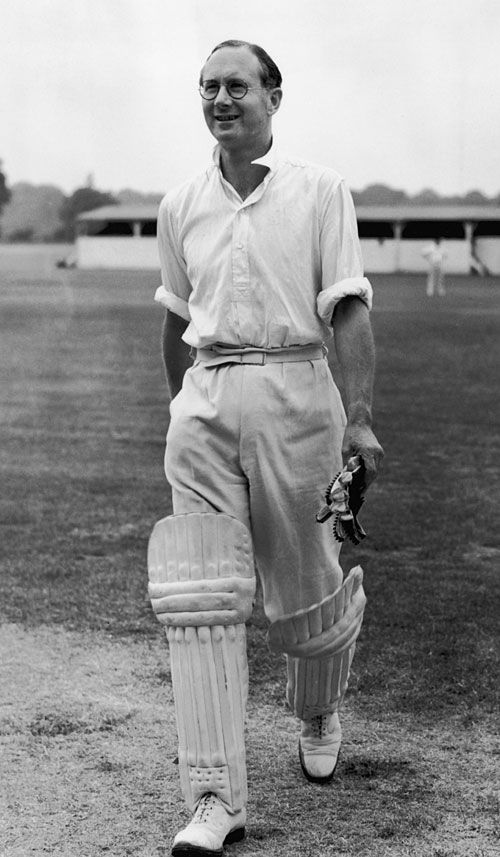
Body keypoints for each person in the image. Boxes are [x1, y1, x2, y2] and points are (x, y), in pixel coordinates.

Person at [147, 39, 384, 856]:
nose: (221, 99)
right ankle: (215, 797)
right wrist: (182, 409)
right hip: (207, 395)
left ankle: (317, 708)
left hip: (297, 390)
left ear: (273, 97)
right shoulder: (181, 203)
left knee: (306, 583)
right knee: (201, 595)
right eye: (208, 87)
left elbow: (347, 309)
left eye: (237, 86)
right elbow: (177, 318)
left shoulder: (321, 191)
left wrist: (359, 420)